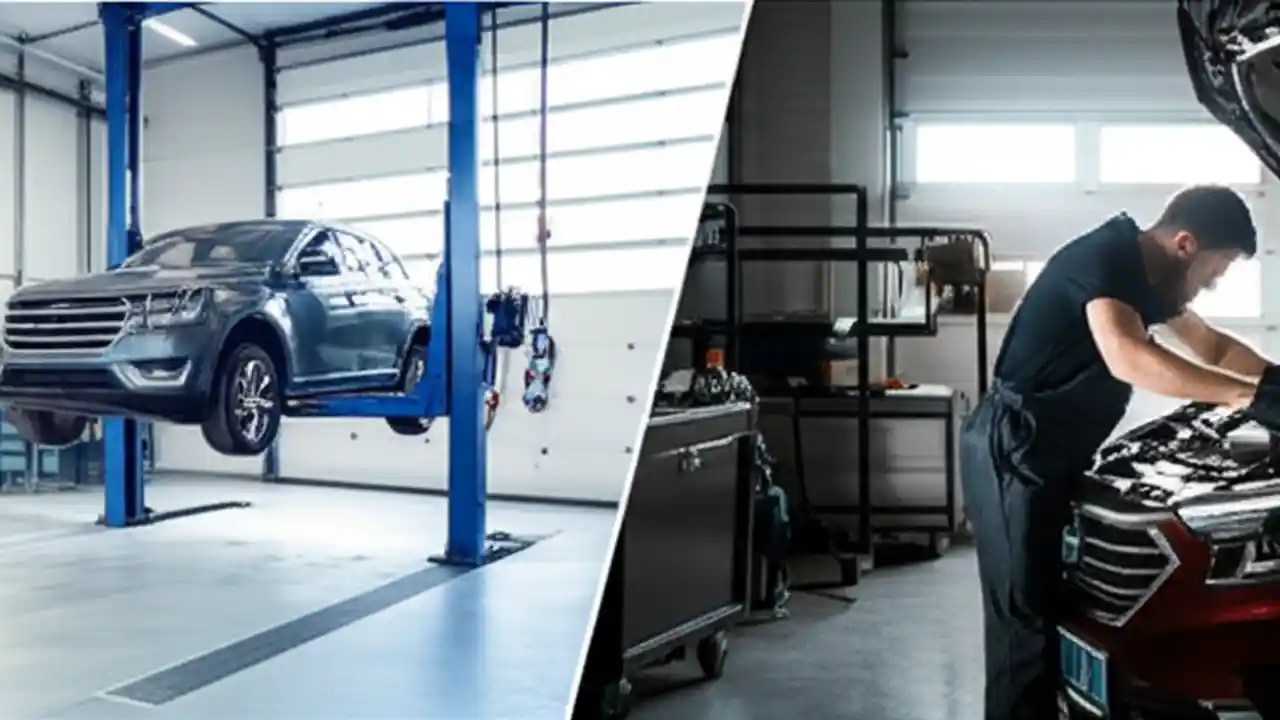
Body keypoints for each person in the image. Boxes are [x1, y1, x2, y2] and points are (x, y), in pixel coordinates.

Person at [960, 184, 1280, 719]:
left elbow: (1214, 348)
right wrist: (1244, 396)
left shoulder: (1149, 278)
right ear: (1185, 244)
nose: (1214, 284)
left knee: (1058, 615)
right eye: (1216, 269)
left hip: (1050, 455)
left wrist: (1273, 384)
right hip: (1012, 450)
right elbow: (1126, 356)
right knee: (1025, 627)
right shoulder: (1104, 258)